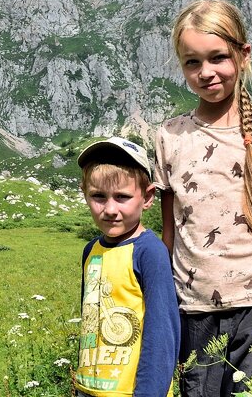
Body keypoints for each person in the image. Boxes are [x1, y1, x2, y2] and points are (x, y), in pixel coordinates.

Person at [155, 0, 252, 397]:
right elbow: (170, 236)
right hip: (195, 314)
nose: (206, 72)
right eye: (192, 62)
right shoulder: (170, 136)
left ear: (243, 56)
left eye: (217, 58)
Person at [75, 136, 179, 397]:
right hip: (90, 388)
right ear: (84, 193)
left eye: (122, 197)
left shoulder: (150, 252)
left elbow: (162, 332)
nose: (110, 209)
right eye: (98, 196)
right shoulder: (91, 251)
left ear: (147, 197)